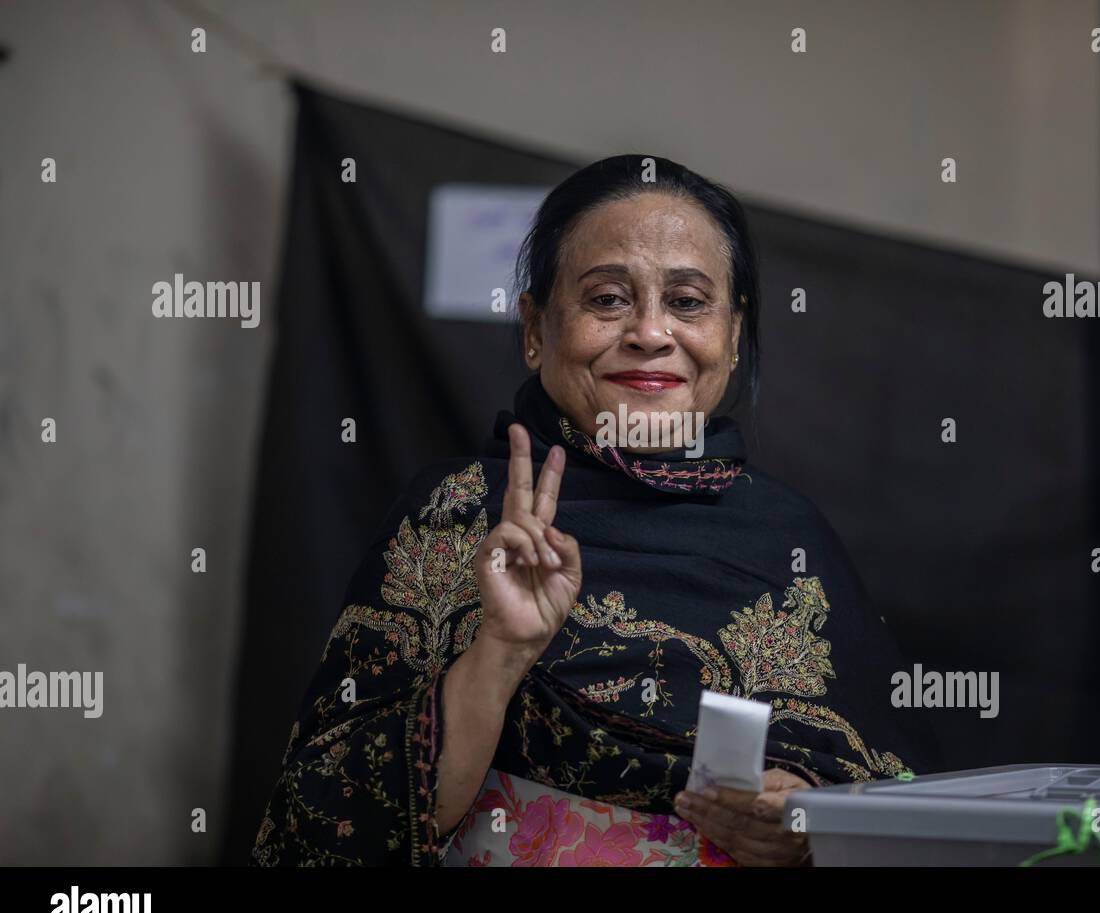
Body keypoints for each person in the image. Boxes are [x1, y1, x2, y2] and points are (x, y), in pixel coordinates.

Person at [251, 154, 934, 867]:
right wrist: (502, 652)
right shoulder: (453, 515)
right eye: (607, 299)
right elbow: (327, 829)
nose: (649, 332)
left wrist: (800, 822)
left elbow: (905, 812)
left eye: (688, 302)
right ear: (536, 329)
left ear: (733, 337)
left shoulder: (791, 540)